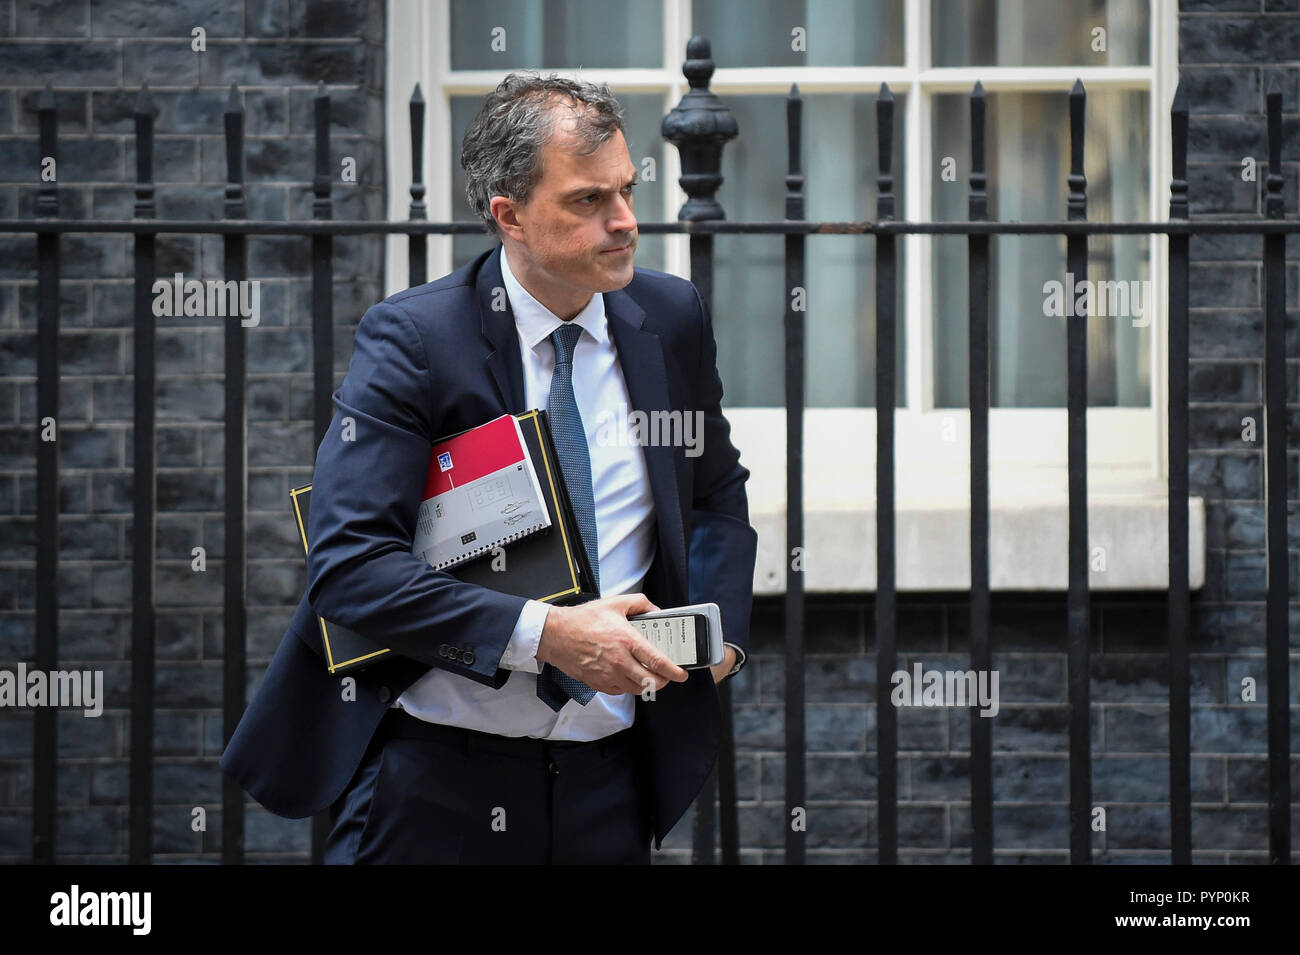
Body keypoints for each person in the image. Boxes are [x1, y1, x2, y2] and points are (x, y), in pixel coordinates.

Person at [219, 71, 758, 864]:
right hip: (439, 786)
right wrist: (546, 636)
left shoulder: (670, 319)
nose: (625, 224)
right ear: (508, 215)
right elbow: (351, 566)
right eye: (587, 201)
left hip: (608, 784)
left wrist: (721, 638)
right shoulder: (416, 341)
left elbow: (714, 493)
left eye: (627, 191)